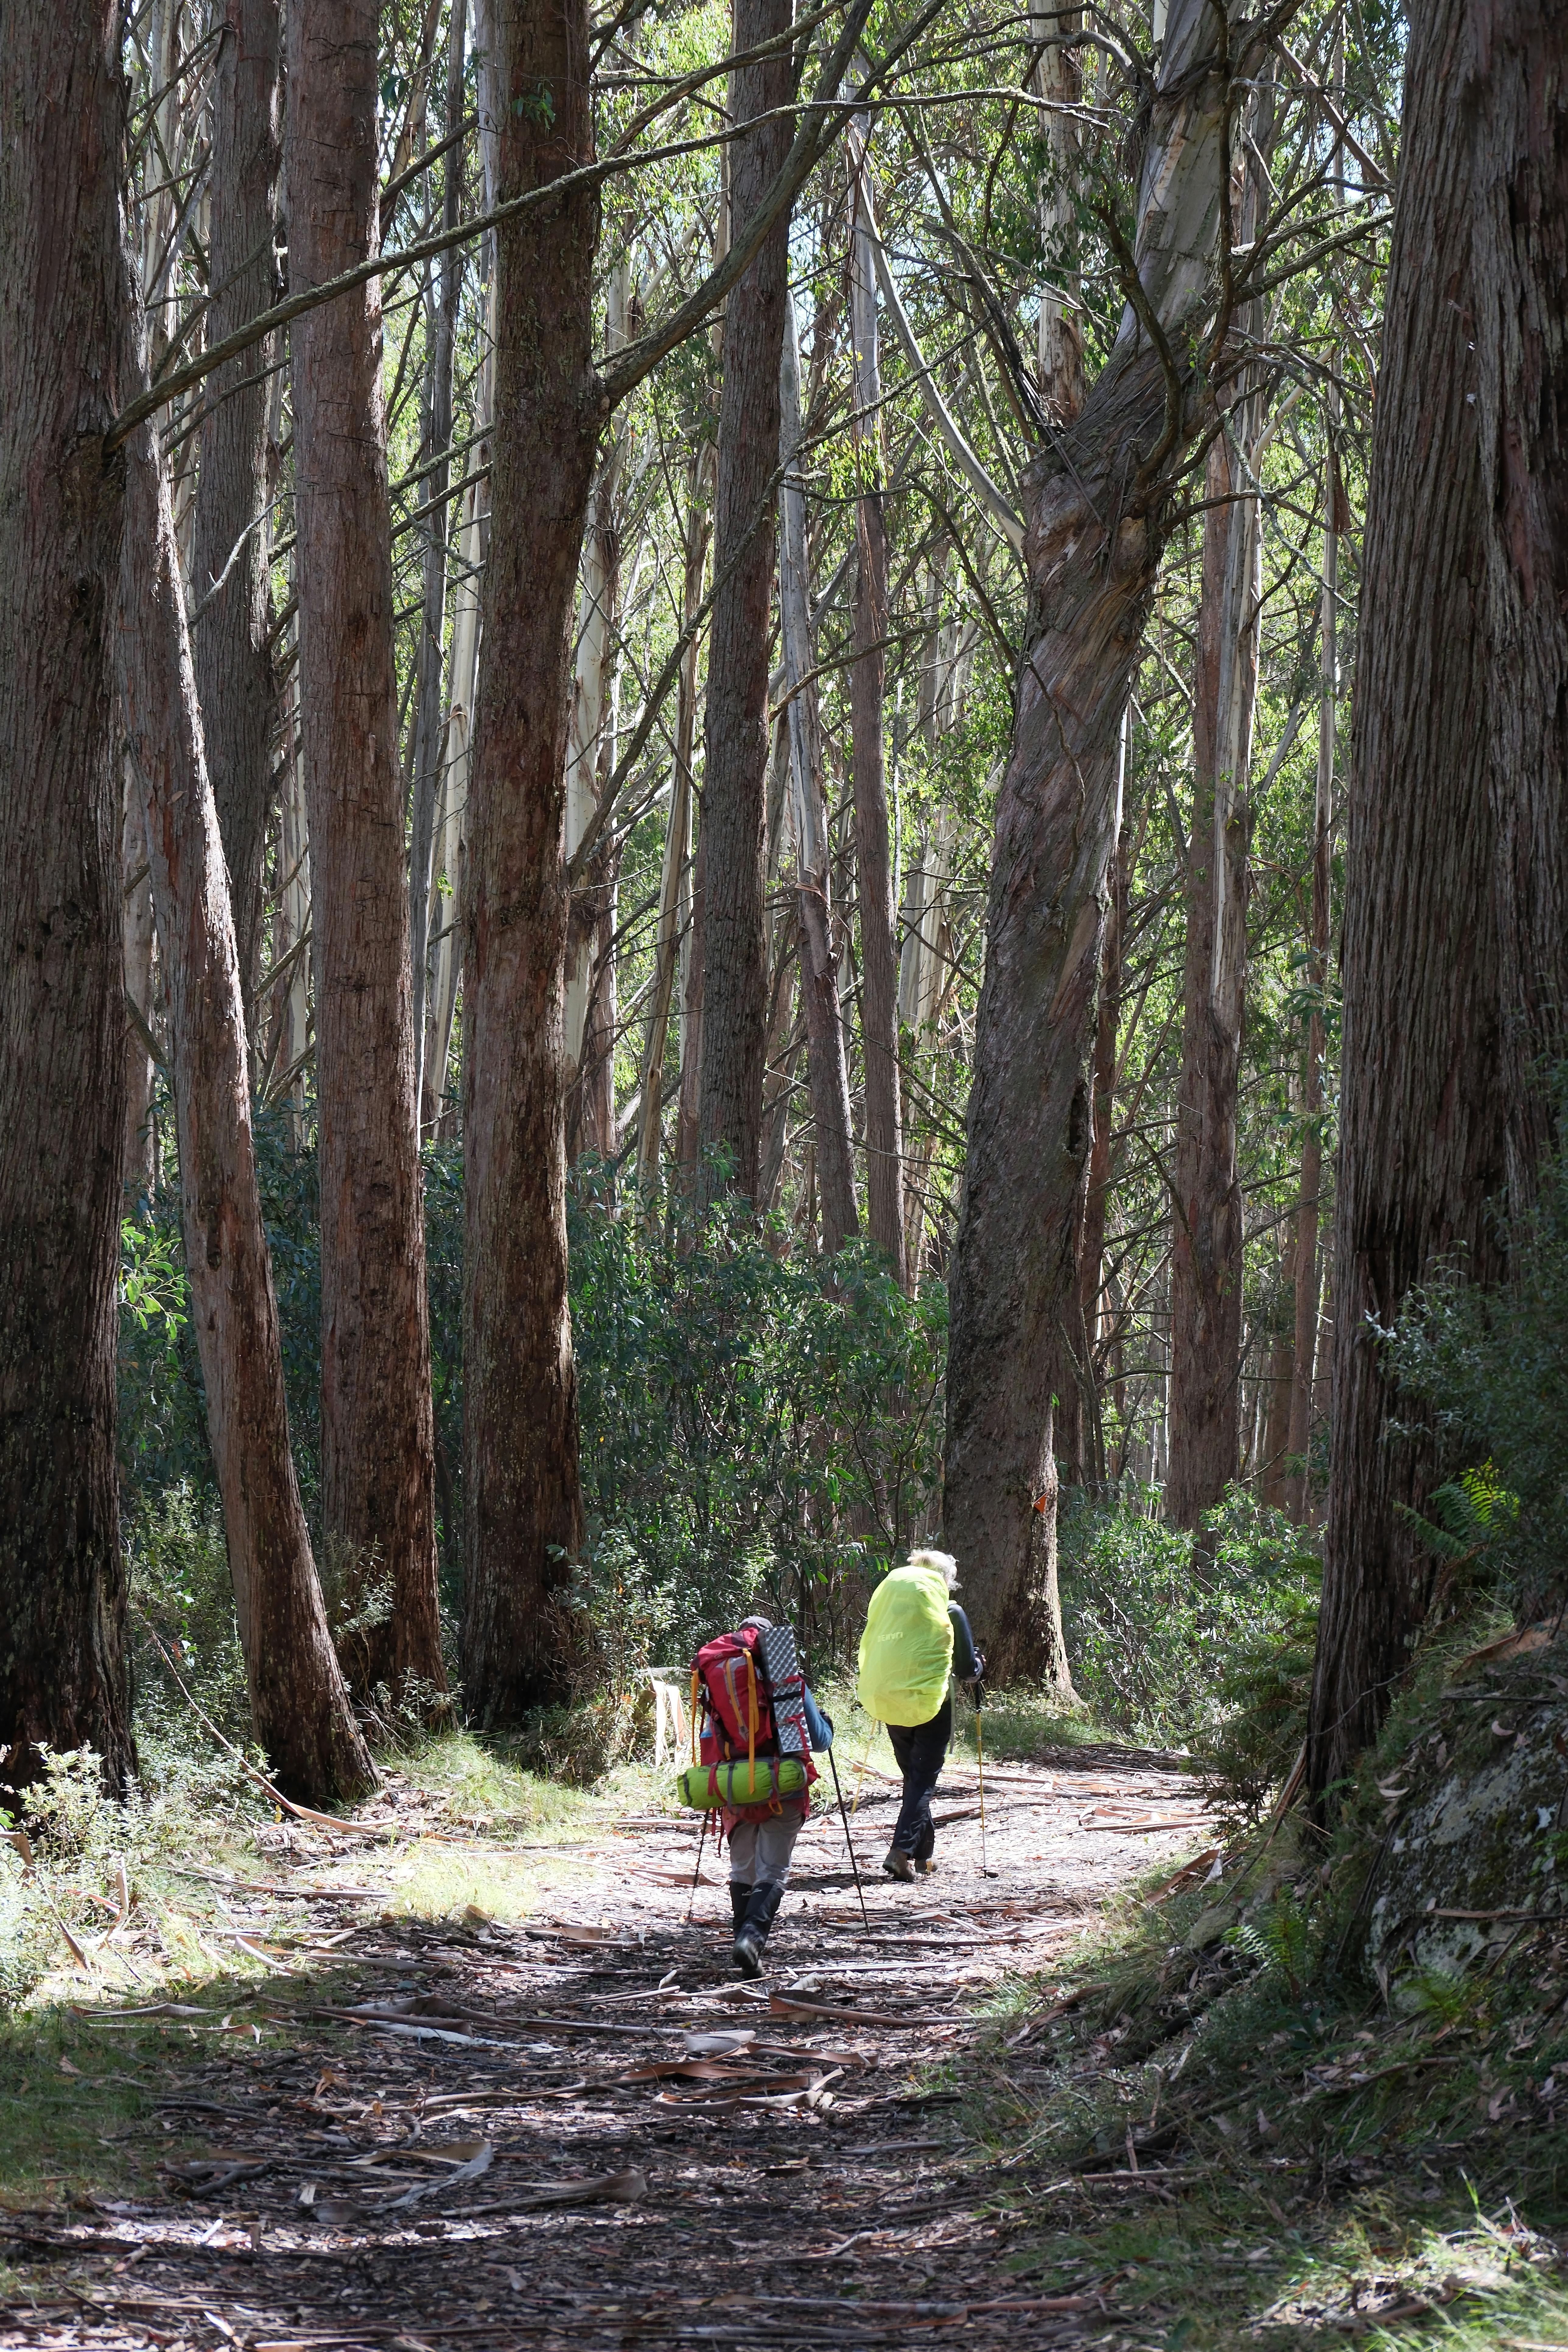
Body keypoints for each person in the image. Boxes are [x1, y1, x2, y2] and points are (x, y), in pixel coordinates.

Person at [695, 1615, 834, 1977]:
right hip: (783, 1782)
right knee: (772, 1869)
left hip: (734, 1785)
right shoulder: (787, 1680)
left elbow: (710, 1741)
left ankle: (745, 1947)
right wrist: (828, 1725)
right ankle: (751, 1939)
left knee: (742, 1868)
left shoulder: (717, 1680)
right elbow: (819, 1741)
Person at [855, 1549, 983, 1880]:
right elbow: (968, 1671)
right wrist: (980, 1665)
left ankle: (923, 1857)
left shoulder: (891, 1614)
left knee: (914, 1780)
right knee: (923, 1780)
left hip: (889, 1700)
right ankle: (900, 1851)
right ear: (944, 1581)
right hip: (931, 1704)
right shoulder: (950, 1610)